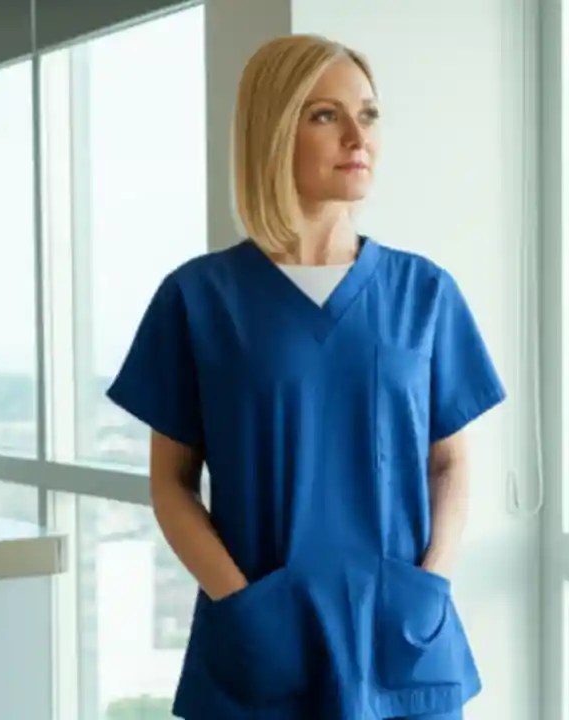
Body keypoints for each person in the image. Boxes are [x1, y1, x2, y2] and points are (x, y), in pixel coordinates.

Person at [106, 34, 506, 720]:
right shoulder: (199, 299)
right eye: (326, 115)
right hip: (262, 643)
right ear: (274, 131)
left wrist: (430, 584)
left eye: (369, 114)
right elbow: (171, 482)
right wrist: (238, 601)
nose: (358, 136)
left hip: (402, 641)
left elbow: (451, 464)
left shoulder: (424, 293)